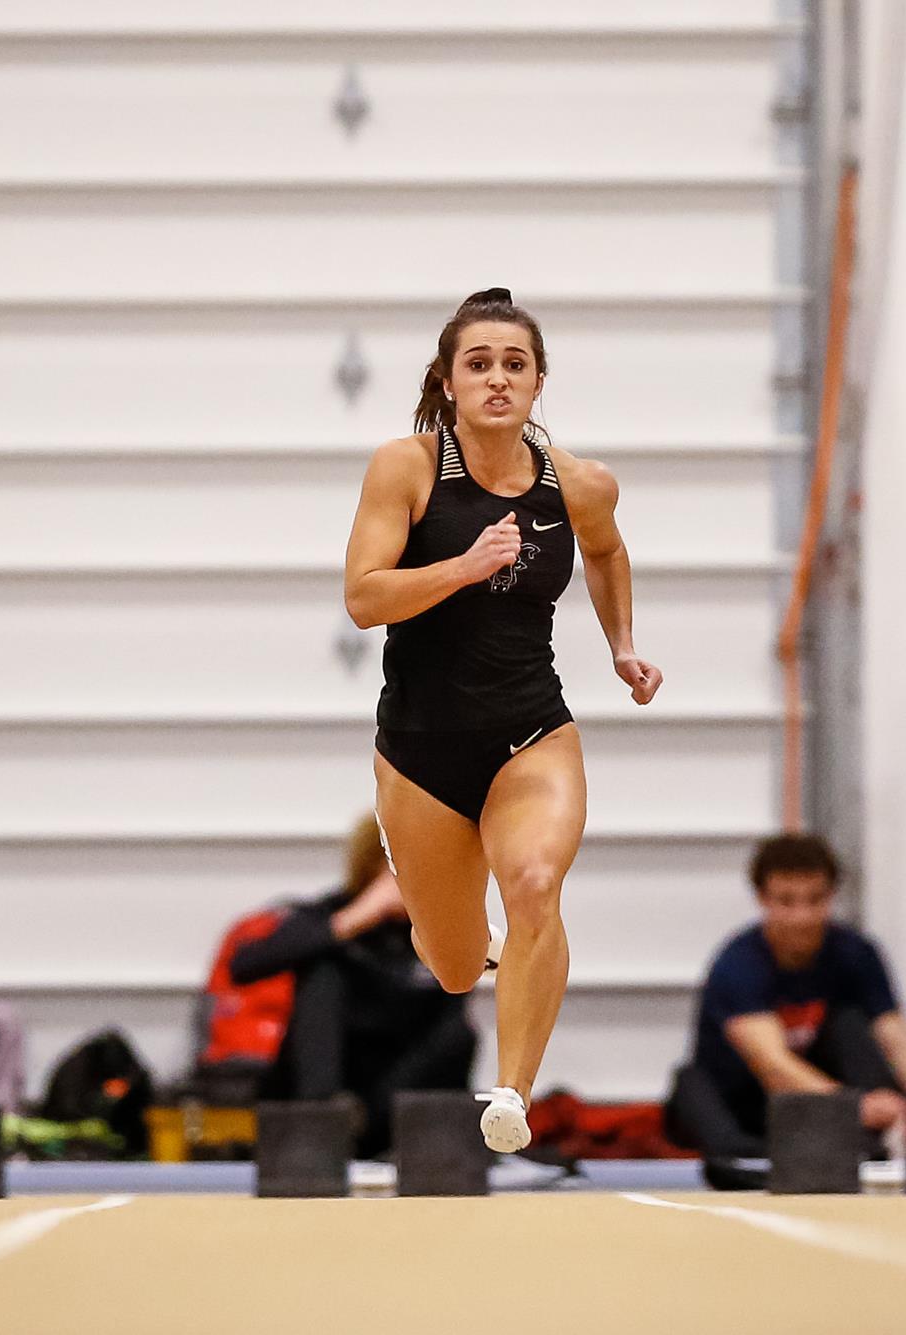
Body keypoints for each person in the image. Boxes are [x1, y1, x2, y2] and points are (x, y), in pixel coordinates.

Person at [343, 287, 662, 1153]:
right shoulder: (407, 468)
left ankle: (512, 1091)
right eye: (478, 363)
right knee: (452, 966)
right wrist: (462, 564)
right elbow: (364, 599)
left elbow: (607, 550)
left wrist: (623, 645)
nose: (497, 378)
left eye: (514, 364)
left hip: (532, 731)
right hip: (420, 752)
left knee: (534, 882)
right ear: (448, 381)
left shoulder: (579, 483)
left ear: (537, 382)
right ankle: (465, 939)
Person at [665, 834, 906, 1172]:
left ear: (832, 896)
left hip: (821, 1104)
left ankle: (877, 1145)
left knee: (850, 1024)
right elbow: (772, 1066)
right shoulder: (738, 964)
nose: (802, 917)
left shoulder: (856, 953)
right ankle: (753, 1161)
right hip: (747, 1103)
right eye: (786, 901)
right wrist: (857, 1106)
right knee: (692, 1084)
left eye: (815, 900)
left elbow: (896, 1037)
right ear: (762, 899)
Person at [228, 814, 476, 1158]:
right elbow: (244, 966)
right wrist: (354, 920)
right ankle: (324, 1119)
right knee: (323, 973)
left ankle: (383, 1132)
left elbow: (451, 1030)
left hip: (394, 1096)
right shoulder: (334, 913)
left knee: (459, 1032)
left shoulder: (441, 932)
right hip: (329, 1083)